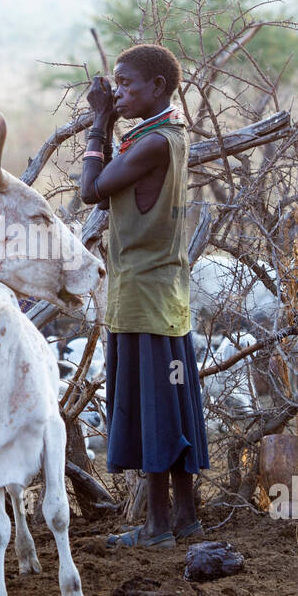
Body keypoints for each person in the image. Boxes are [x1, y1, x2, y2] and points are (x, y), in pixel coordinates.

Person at [79, 43, 210, 548]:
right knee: (171, 404)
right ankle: (185, 520)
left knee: (155, 408)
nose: (118, 91)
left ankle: (157, 526)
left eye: (127, 83)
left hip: (141, 294)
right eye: (116, 84)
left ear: (158, 87)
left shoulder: (153, 143)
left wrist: (98, 123)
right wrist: (113, 120)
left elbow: (92, 189)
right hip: (167, 293)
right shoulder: (171, 135)